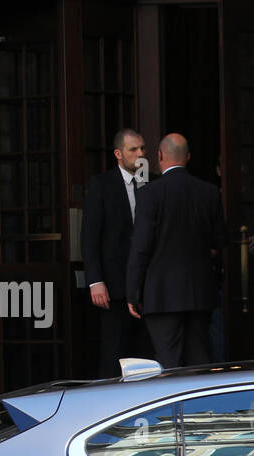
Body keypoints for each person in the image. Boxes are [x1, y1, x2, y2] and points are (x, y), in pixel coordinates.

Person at [126, 133, 226, 368]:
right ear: (188, 157)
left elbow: (141, 246)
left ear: (159, 156)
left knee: (169, 361)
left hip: (161, 294)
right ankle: (201, 405)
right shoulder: (209, 192)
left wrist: (133, 291)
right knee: (199, 359)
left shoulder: (149, 194)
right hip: (199, 291)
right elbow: (219, 240)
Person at [83, 128, 153, 376]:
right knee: (114, 353)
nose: (140, 154)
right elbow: (90, 237)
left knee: (148, 354)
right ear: (118, 154)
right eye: (133, 149)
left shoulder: (151, 182)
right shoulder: (102, 184)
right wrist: (95, 281)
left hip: (148, 285)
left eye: (143, 148)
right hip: (113, 286)